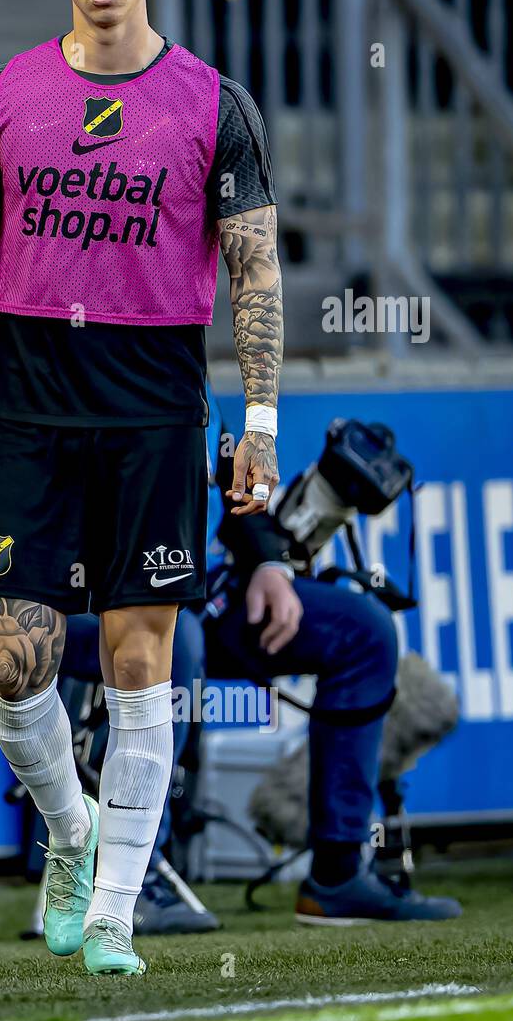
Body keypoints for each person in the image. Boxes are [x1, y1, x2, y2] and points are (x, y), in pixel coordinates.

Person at [0, 0, 283, 978]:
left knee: (141, 658)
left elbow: (252, 265)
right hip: (25, 401)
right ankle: (71, 833)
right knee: (16, 660)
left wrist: (260, 420)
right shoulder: (0, 96)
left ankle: (115, 910)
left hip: (154, 406)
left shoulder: (215, 104)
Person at [136, 383, 462, 930]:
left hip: (205, 593)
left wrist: (271, 564)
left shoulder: (186, 376)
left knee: (364, 630)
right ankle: (136, 876)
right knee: (177, 639)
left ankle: (337, 875)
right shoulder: (78, 366)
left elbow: (241, 498)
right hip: (112, 598)